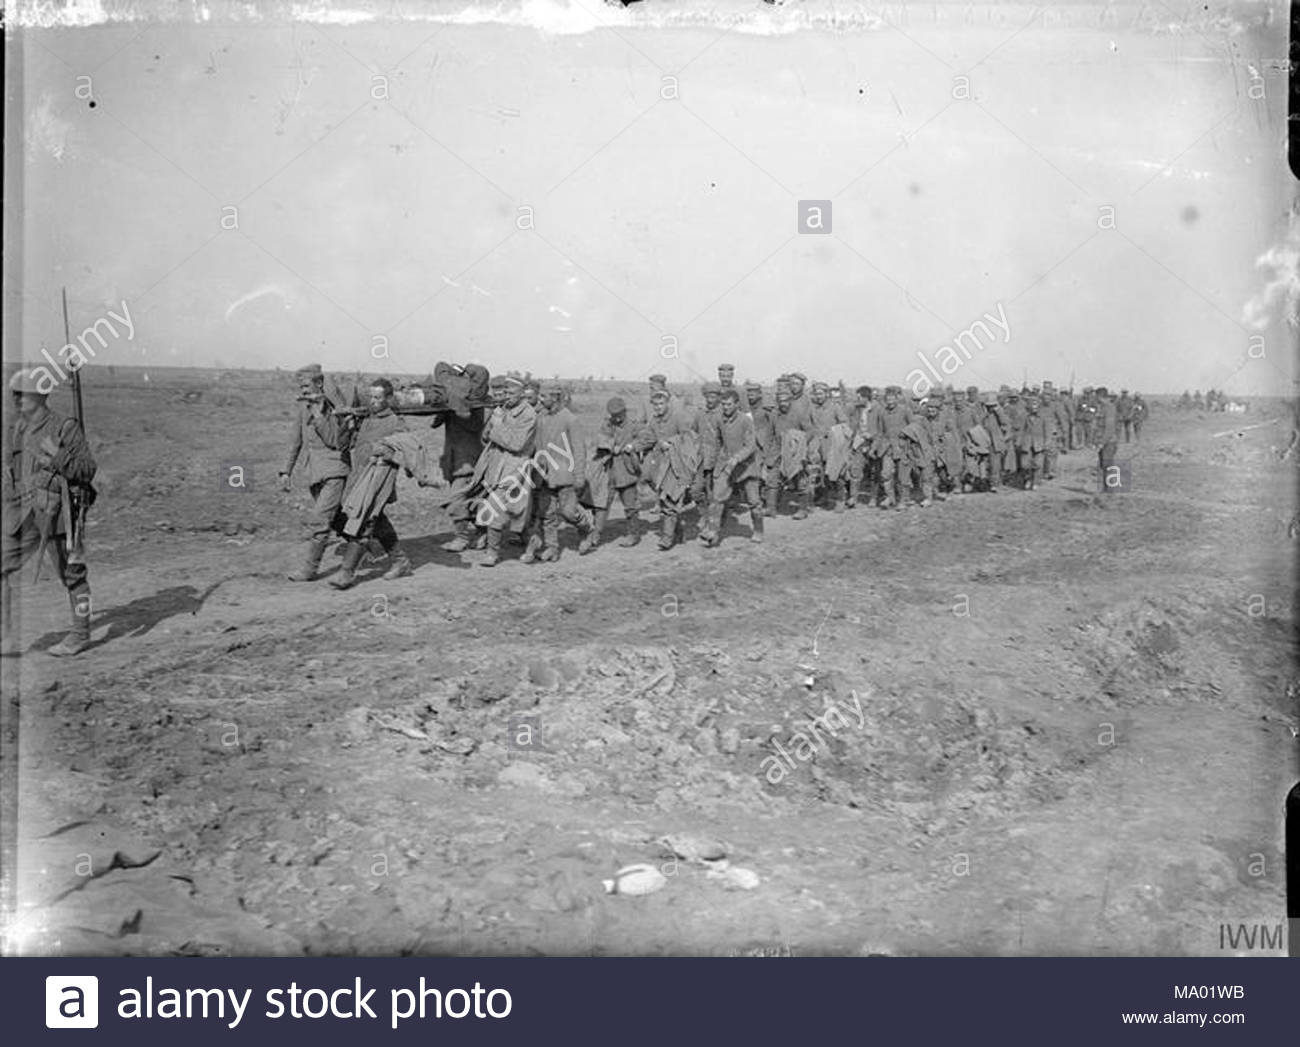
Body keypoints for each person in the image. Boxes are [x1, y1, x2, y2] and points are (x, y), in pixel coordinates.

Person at [2, 368, 97, 656]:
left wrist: (57, 454)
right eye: (15, 394)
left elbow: (87, 470)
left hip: (59, 515)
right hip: (23, 513)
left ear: (40, 396)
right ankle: (5, 638)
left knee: (73, 576)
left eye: (24, 395)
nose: (17, 400)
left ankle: (80, 635)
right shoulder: (15, 429)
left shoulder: (65, 427)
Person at [330, 379, 410, 589]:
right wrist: (345, 427)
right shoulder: (365, 419)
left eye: (378, 398)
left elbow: (405, 450)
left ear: (388, 399)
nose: (373, 402)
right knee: (377, 520)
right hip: (360, 478)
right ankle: (400, 561)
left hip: (379, 480)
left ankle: (346, 573)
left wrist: (382, 450)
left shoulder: (396, 422)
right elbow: (343, 445)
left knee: (363, 522)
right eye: (371, 397)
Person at [280, 364, 351, 582]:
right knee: (338, 519)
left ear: (319, 384)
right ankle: (386, 550)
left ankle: (309, 570)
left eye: (306, 385)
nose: (302, 391)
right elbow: (296, 441)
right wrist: (286, 471)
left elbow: (333, 441)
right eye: (300, 386)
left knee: (320, 520)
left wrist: (319, 415)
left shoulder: (333, 408)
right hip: (314, 472)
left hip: (334, 471)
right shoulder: (304, 408)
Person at [524, 382, 593, 563]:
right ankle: (552, 548)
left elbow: (579, 450)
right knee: (547, 514)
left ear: (554, 398)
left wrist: (579, 476)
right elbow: (537, 445)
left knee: (568, 512)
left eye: (544, 397)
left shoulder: (570, 419)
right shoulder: (541, 418)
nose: (540, 399)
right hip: (545, 475)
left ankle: (586, 529)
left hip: (566, 475)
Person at [473, 374, 538, 566]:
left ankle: (492, 553)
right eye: (505, 392)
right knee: (513, 512)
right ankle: (533, 542)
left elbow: (516, 444)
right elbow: (486, 437)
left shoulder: (528, 415)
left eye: (511, 393)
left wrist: (498, 424)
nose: (506, 396)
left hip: (515, 468)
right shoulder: (501, 409)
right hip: (496, 466)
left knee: (496, 506)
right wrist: (490, 426)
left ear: (522, 395)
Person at [639, 389, 697, 551]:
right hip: (659, 466)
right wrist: (634, 444)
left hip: (676, 465)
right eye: (655, 404)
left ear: (667, 403)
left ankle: (667, 538)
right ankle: (678, 533)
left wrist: (671, 442)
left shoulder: (678, 417)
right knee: (665, 498)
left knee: (669, 500)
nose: (658, 407)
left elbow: (689, 437)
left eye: (661, 404)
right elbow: (648, 438)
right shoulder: (653, 420)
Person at [702, 388, 761, 546]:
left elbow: (750, 446)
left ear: (736, 404)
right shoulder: (719, 419)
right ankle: (712, 532)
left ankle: (758, 530)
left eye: (728, 404)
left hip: (746, 467)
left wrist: (737, 458)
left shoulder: (745, 420)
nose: (725, 407)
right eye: (723, 404)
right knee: (717, 498)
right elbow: (718, 441)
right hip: (726, 466)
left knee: (753, 502)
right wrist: (715, 462)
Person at [583, 397, 643, 552]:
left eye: (619, 415)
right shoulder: (607, 423)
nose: (616, 418)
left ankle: (633, 534)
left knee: (631, 506)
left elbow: (644, 439)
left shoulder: (633, 425)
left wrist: (632, 446)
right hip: (609, 471)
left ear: (624, 412)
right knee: (602, 505)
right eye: (613, 415)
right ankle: (595, 535)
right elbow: (599, 439)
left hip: (627, 470)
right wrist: (611, 445)